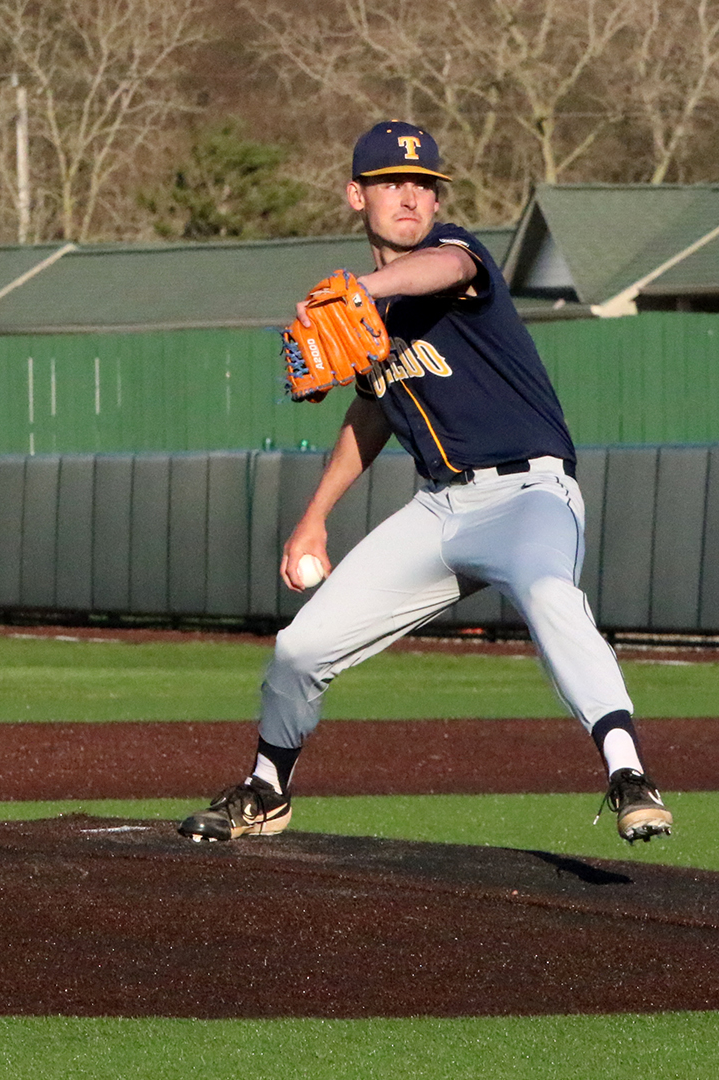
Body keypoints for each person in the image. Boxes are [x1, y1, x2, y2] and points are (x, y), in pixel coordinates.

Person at [177, 120, 672, 845]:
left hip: (528, 494)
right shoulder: (369, 319)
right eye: (391, 184)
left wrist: (362, 290)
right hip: (440, 509)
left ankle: (628, 772)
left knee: (550, 596)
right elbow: (372, 413)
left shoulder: (456, 256)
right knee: (299, 649)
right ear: (356, 196)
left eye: (424, 185)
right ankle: (266, 790)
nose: (411, 196)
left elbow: (444, 272)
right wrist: (315, 517)